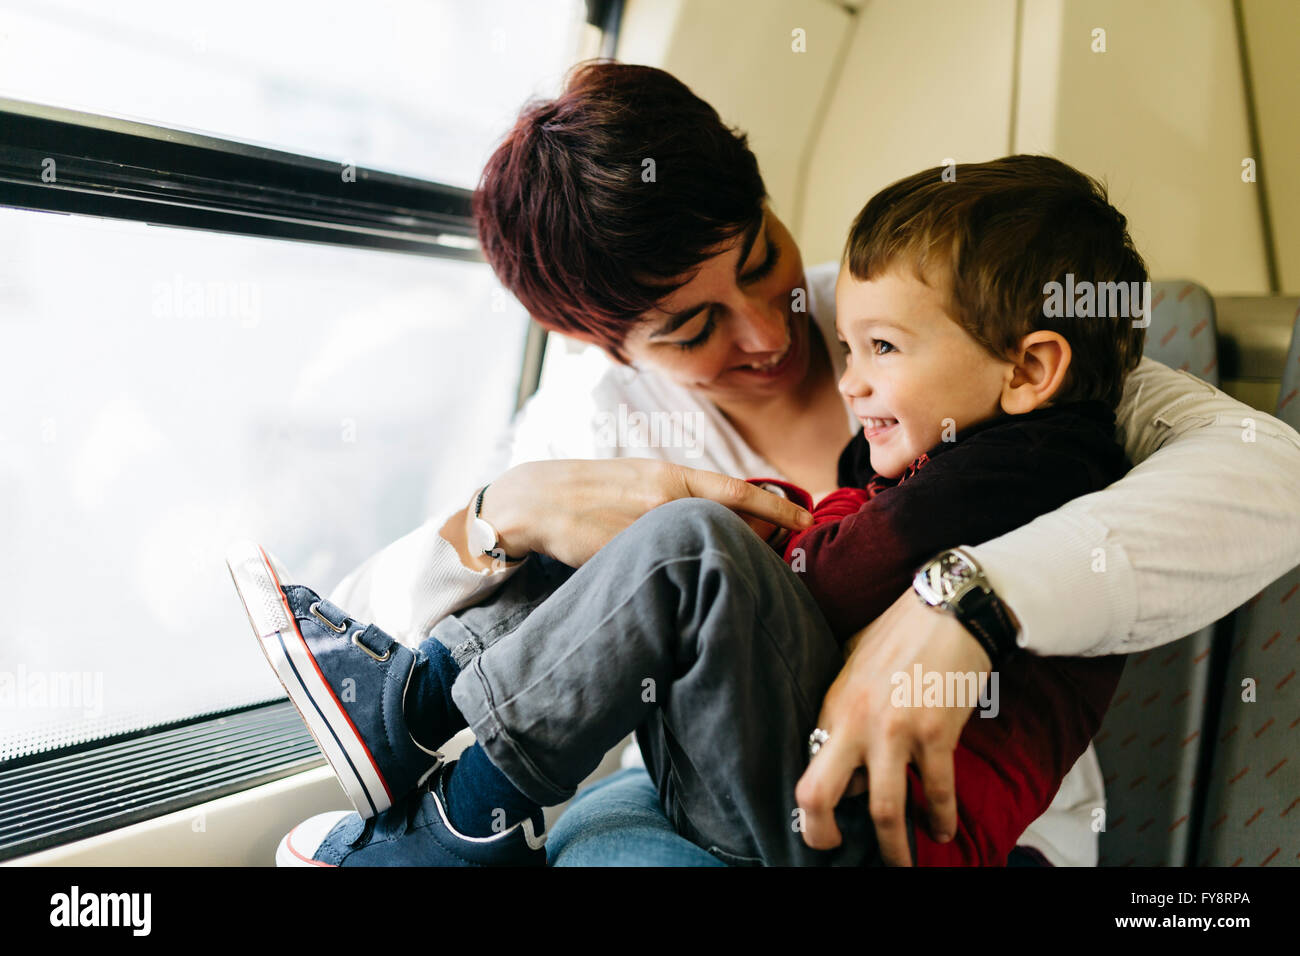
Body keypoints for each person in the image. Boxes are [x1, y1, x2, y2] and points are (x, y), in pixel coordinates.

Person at [311, 62, 1300, 866]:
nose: (767, 331)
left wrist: (971, 602)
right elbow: (411, 631)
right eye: (693, 325)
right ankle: (432, 787)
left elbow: (1271, 480)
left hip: (939, 820)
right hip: (699, 781)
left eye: (757, 258)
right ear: (609, 346)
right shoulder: (588, 422)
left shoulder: (939, 320)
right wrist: (501, 514)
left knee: (684, 556)